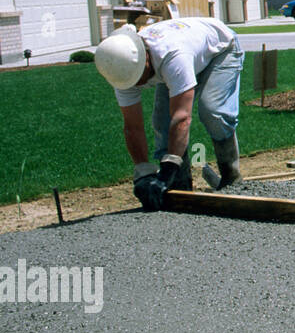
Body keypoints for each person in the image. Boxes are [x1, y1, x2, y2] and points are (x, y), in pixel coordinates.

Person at [94, 17, 245, 210]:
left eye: (140, 77)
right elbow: (133, 127)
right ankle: (180, 187)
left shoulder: (172, 56)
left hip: (221, 49)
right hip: (185, 55)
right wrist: (143, 172)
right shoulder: (122, 70)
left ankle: (231, 177)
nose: (139, 84)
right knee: (162, 122)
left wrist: (167, 170)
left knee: (213, 112)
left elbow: (181, 118)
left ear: (145, 58)